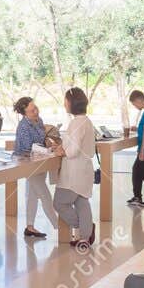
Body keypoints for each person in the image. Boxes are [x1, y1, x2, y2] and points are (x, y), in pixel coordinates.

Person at [54, 87, 97, 249]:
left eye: (66, 100)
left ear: (71, 103)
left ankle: (82, 227)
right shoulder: (87, 121)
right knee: (81, 201)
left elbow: (72, 150)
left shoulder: (76, 123)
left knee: (59, 203)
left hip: (73, 172)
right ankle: (85, 236)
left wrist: (61, 151)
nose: (64, 103)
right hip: (85, 170)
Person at [13, 96, 53, 238]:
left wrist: (47, 141)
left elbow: (41, 140)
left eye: (35, 108)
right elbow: (27, 149)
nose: (36, 112)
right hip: (28, 163)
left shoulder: (39, 121)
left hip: (40, 162)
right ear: (24, 114)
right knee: (44, 195)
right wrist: (45, 149)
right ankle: (60, 226)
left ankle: (30, 227)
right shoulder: (23, 126)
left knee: (32, 195)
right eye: (32, 111)